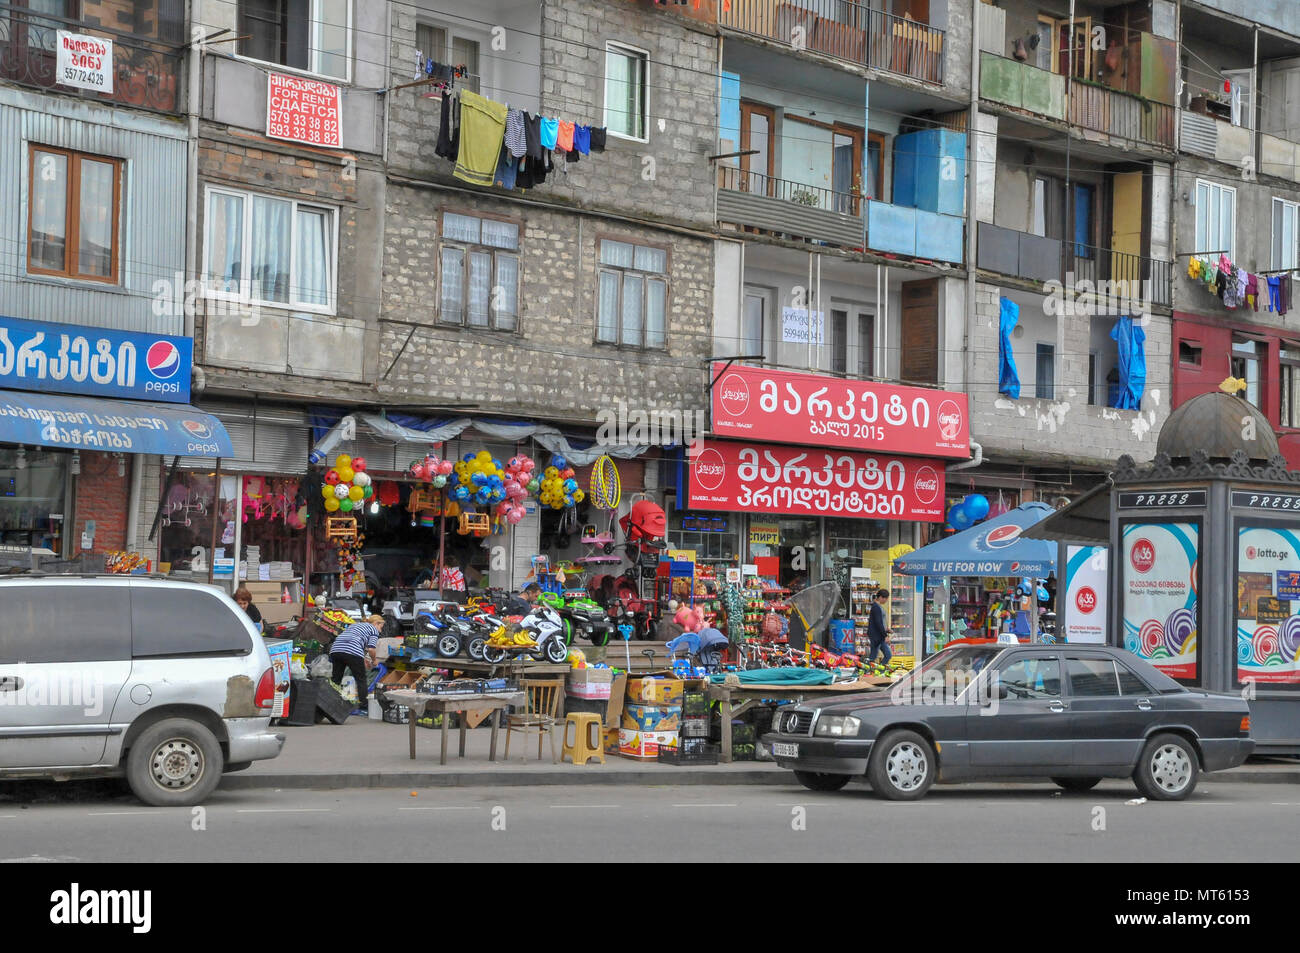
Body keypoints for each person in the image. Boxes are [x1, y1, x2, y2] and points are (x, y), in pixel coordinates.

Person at [329, 614, 384, 711]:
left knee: (336, 679)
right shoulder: (373, 630)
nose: (381, 630)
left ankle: (330, 702)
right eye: (381, 627)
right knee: (361, 679)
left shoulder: (355, 625)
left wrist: (363, 659)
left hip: (336, 649)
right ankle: (363, 705)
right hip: (352, 651)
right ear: (376, 623)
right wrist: (374, 661)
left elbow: (352, 641)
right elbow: (371, 649)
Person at [866, 589, 892, 665]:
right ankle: (868, 671)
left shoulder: (878, 607)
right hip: (876, 636)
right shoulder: (876, 607)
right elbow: (878, 623)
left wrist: (886, 629)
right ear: (880, 597)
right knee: (873, 656)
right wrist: (885, 636)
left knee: (887, 655)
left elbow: (880, 622)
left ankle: (879, 670)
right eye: (885, 598)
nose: (886, 600)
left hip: (880, 635)